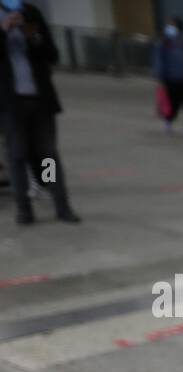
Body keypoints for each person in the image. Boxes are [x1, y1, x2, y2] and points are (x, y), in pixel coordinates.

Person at [0, 0, 77, 224]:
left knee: (48, 156)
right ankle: (24, 209)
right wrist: (4, 30)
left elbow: (52, 54)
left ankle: (60, 204)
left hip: (40, 99)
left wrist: (30, 34)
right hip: (9, 103)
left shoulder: (31, 13)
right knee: (17, 155)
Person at [153, 17, 183, 139]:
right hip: (171, 79)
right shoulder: (164, 43)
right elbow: (159, 61)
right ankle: (168, 120)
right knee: (175, 104)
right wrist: (159, 77)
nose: (169, 28)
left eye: (171, 26)